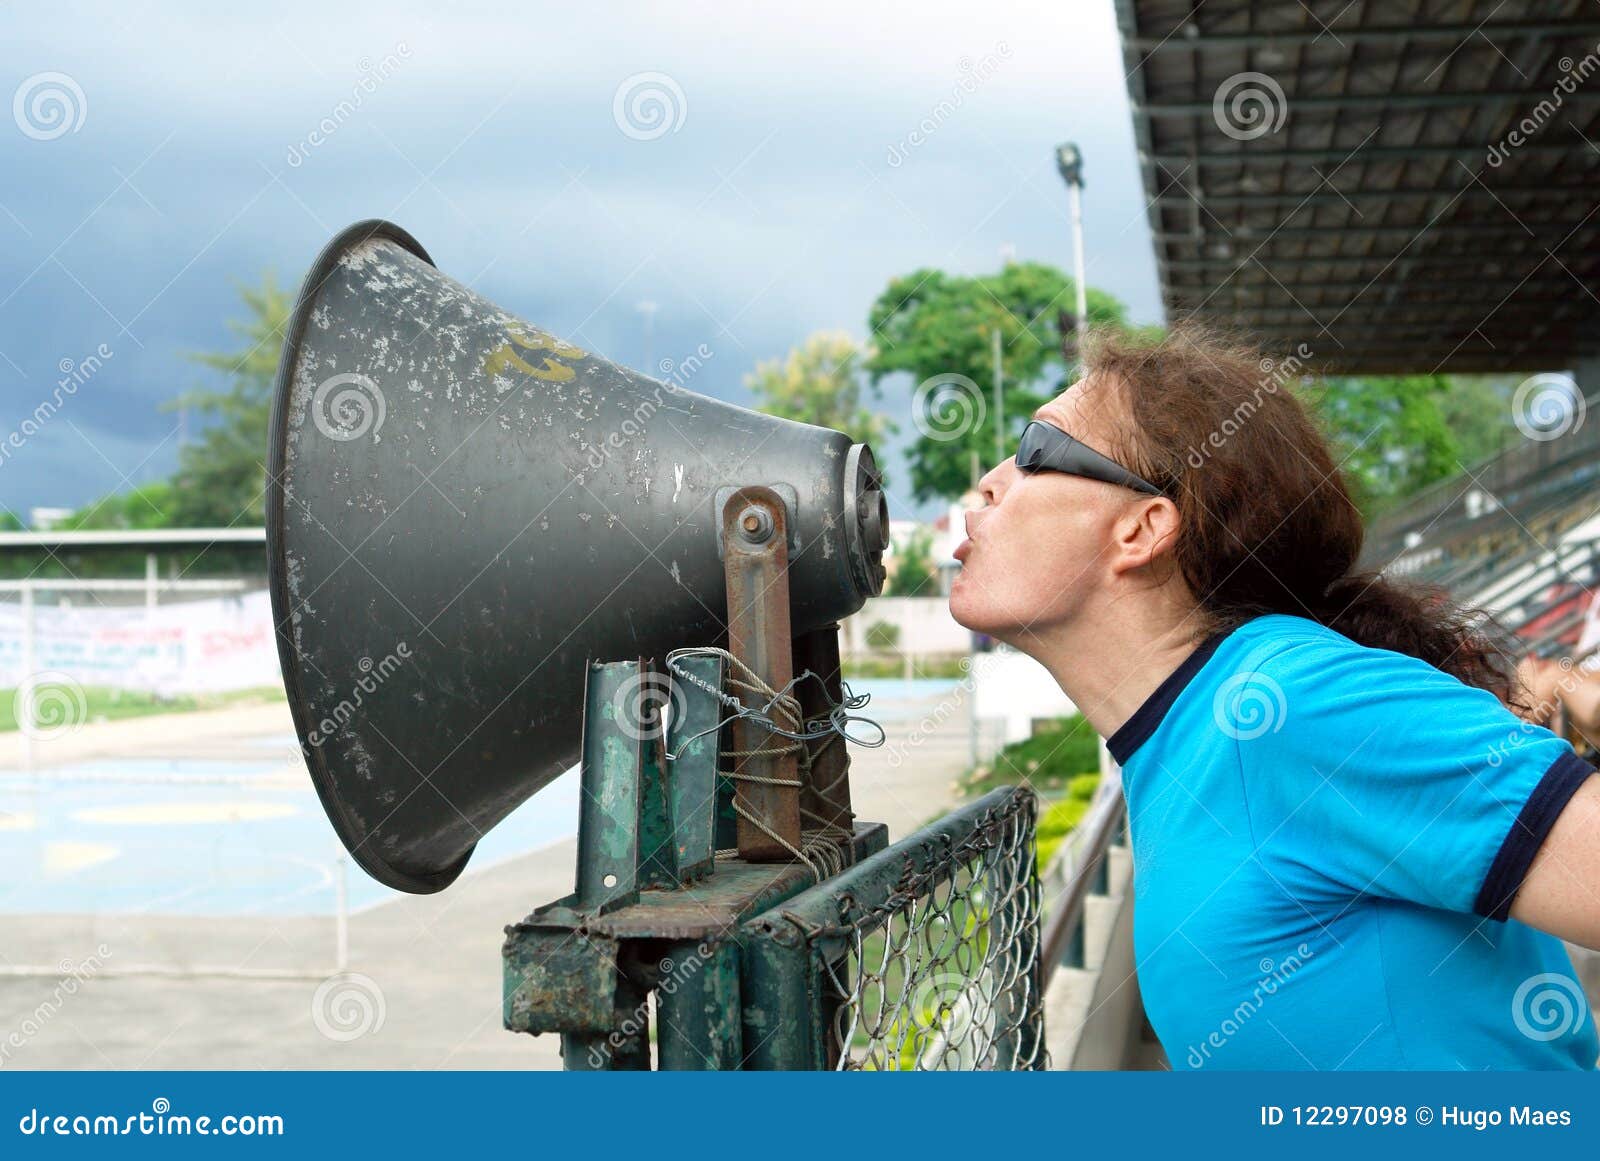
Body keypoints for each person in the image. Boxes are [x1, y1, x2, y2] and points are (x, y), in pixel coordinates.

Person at [949, 324, 1600, 1070]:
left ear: (1143, 527)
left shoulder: (1288, 703)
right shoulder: (1184, 733)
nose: (993, 478)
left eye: (1036, 449)